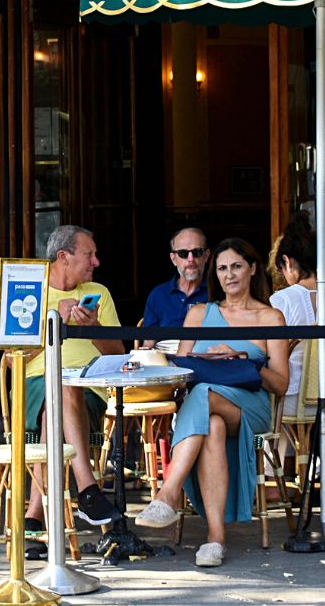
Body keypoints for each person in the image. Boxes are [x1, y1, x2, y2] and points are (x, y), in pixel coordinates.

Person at [133, 237, 289, 568]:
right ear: (214, 274)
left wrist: (243, 359)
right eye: (221, 268)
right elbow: (183, 371)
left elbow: (281, 384)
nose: (229, 275)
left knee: (204, 398)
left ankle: (169, 492)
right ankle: (215, 539)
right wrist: (204, 360)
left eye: (236, 266)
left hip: (250, 406)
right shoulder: (200, 313)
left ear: (252, 269)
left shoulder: (270, 317)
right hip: (206, 408)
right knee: (212, 424)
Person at [20, 224, 121, 532]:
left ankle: (34, 514)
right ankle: (88, 489)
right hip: (37, 386)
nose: (96, 262)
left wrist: (92, 330)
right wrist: (55, 326)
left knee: (60, 397)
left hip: (89, 390)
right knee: (59, 384)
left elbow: (117, 353)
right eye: (89, 255)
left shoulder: (98, 293)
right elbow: (14, 362)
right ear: (63, 257)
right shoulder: (29, 291)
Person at [268, 215, 325, 417]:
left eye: (280, 269)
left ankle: (284, 450)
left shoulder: (281, 301)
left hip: (291, 400)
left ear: (287, 262)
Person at [138, 227, 209, 347]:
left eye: (197, 252)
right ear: (173, 259)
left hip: (206, 361)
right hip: (165, 362)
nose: (191, 259)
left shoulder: (219, 292)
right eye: (183, 253)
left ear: (206, 256)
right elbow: (149, 342)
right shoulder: (158, 294)